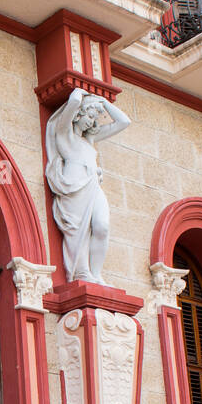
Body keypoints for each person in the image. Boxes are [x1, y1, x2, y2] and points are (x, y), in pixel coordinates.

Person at [44, 87, 130, 283]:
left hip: (92, 183)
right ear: (77, 115)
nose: (92, 122)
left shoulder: (89, 139)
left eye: (94, 118)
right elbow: (73, 101)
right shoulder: (64, 133)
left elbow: (124, 122)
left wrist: (102, 101)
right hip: (73, 186)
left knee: (102, 226)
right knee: (78, 231)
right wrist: (83, 91)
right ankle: (82, 272)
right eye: (89, 116)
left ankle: (96, 274)